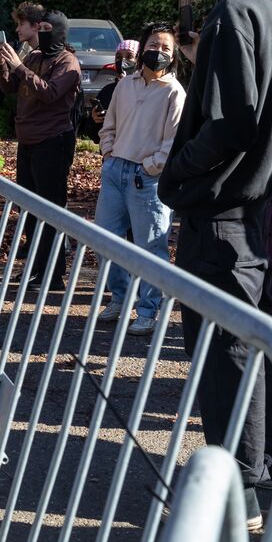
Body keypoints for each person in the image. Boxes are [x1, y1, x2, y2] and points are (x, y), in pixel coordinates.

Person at [158, 0, 272, 528]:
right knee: (249, 344)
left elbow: (229, 121)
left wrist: (175, 170)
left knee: (224, 354)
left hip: (224, 212)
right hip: (255, 209)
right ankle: (258, 468)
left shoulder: (239, 9)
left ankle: (239, 490)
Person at [95, 23, 183, 335]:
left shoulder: (174, 92)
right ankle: (119, 297)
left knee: (151, 247)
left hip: (147, 179)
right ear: (142, 47)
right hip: (115, 171)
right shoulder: (125, 85)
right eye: (153, 45)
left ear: (172, 57)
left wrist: (150, 167)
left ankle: (148, 310)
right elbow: (110, 125)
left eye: (165, 49)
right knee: (107, 240)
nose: (158, 52)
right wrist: (108, 152)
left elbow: (172, 143)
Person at [0, 9, 81, 276]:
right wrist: (3, 65)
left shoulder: (68, 63)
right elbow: (9, 88)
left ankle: (52, 274)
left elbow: (51, 93)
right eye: (39, 29)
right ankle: (35, 266)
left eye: (47, 29)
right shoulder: (33, 57)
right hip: (28, 142)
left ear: (58, 31)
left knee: (50, 210)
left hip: (52, 142)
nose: (42, 35)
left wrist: (20, 69)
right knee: (29, 209)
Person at [79, 39, 137, 143]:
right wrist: (94, 120)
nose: (123, 61)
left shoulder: (147, 91)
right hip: (110, 154)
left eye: (129, 57)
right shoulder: (107, 91)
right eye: (118, 57)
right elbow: (95, 136)